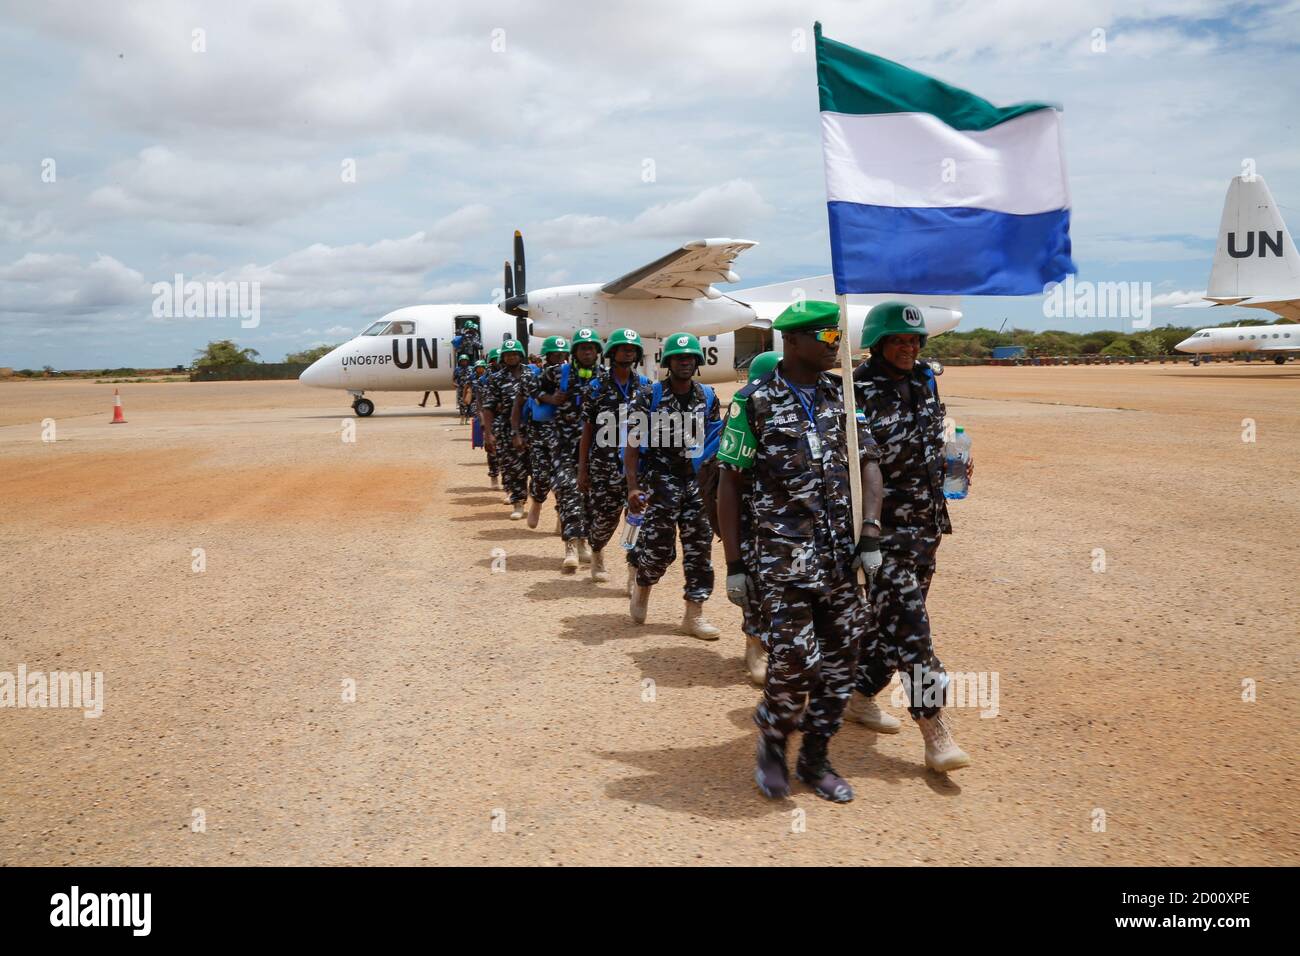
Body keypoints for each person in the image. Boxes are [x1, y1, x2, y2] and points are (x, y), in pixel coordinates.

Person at [717, 301, 884, 803]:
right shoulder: (752, 402)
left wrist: (871, 532)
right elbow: (729, 482)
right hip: (781, 563)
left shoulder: (843, 397)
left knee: (842, 663)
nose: (837, 346)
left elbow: (869, 463)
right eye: (826, 337)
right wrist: (734, 565)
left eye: (838, 337)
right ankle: (772, 743)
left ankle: (815, 758)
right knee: (794, 664)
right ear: (791, 341)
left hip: (839, 561)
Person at [849, 301, 972, 773]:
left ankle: (859, 694)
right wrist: (865, 533)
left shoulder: (924, 378)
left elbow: (931, 437)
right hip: (881, 531)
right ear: (878, 343)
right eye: (899, 340)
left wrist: (952, 463)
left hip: (927, 523)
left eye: (915, 340)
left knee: (889, 627)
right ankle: (934, 727)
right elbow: (858, 463)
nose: (909, 348)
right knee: (914, 628)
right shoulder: (855, 388)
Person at [623, 332, 722, 640]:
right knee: (658, 549)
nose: (685, 362)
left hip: (696, 484)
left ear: (697, 362)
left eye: (690, 357)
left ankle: (694, 614)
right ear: (668, 362)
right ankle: (642, 584)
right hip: (659, 480)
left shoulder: (707, 396)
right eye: (679, 357)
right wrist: (632, 487)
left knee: (699, 550)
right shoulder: (649, 396)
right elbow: (632, 444)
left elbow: (714, 443)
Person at [725, 350, 781, 686]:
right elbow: (729, 479)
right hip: (754, 517)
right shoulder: (746, 408)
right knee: (757, 583)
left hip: (797, 520)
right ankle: (755, 643)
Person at [578, 328, 649, 583]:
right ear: (612, 353)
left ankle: (632, 571)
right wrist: (582, 469)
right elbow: (587, 432)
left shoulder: (647, 387)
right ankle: (596, 551)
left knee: (636, 522)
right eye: (623, 348)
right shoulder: (595, 388)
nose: (628, 351)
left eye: (632, 348)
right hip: (603, 467)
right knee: (604, 521)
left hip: (637, 469)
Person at [534, 327, 603, 572]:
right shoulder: (557, 373)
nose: (587, 352)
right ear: (575, 352)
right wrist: (551, 399)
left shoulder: (604, 376)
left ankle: (584, 541)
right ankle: (571, 545)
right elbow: (532, 388)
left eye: (591, 348)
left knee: (591, 498)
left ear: (597, 351)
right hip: (562, 446)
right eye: (583, 348)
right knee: (567, 490)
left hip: (596, 449)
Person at [513, 335, 569, 529]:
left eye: (563, 355)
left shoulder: (572, 377)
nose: (560, 359)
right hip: (539, 436)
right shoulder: (533, 376)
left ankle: (561, 518)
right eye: (555, 355)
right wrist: (516, 433)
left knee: (565, 480)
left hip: (564, 436)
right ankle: (536, 502)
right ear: (547, 356)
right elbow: (518, 405)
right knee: (541, 477)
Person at [480, 341, 530, 518]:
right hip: (506, 429)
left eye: (515, 354)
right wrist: (488, 434)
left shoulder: (532, 374)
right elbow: (488, 407)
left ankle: (537, 499)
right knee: (513, 468)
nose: (511, 357)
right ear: (503, 358)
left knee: (539, 468)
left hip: (533, 428)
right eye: (508, 355)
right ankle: (518, 503)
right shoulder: (496, 378)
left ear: (520, 355)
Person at [453, 354, 474, 424]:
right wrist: (455, 384)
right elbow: (454, 379)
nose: (463, 362)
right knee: (461, 404)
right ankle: (462, 418)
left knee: (468, 403)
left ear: (467, 361)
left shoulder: (471, 368)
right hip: (461, 389)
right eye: (462, 361)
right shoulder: (457, 369)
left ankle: (467, 419)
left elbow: (474, 377)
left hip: (468, 389)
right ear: (460, 361)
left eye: (465, 361)